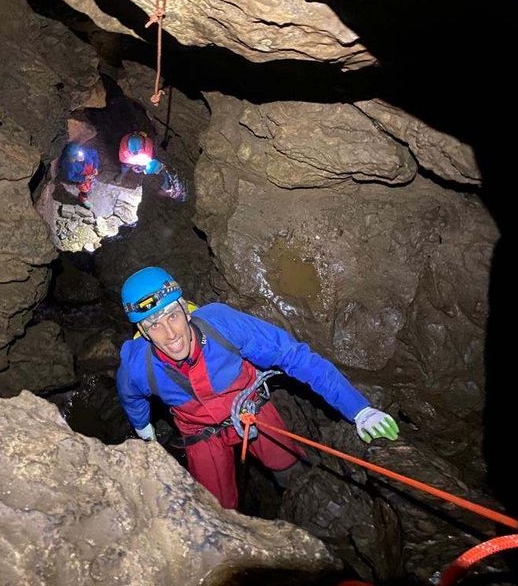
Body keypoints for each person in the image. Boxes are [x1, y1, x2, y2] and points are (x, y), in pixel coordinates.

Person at [117, 266, 399, 510]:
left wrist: (358, 409)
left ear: (185, 310)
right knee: (216, 508)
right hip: (200, 435)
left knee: (289, 467)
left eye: (172, 316)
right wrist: (145, 432)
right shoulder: (137, 366)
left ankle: (300, 507)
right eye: (154, 325)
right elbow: (131, 398)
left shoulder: (223, 325)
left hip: (251, 411)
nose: (170, 334)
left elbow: (295, 357)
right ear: (143, 332)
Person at [59, 143, 100, 209]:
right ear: (72, 157)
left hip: (89, 172)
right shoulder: (70, 165)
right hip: (82, 178)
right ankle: (83, 199)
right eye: (76, 156)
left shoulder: (85, 152)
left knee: (90, 183)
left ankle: (91, 182)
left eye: (79, 154)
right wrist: (83, 178)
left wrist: (95, 167)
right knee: (85, 190)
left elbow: (95, 155)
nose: (80, 157)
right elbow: (71, 177)